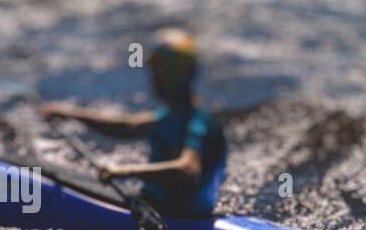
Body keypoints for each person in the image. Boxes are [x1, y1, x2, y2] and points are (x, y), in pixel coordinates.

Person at [38, 28, 227, 216]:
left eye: (158, 71)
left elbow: (188, 170)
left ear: (173, 74)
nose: (153, 78)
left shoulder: (198, 123)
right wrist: (70, 113)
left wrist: (125, 170)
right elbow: (127, 126)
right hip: (161, 208)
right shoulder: (173, 115)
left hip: (182, 218)